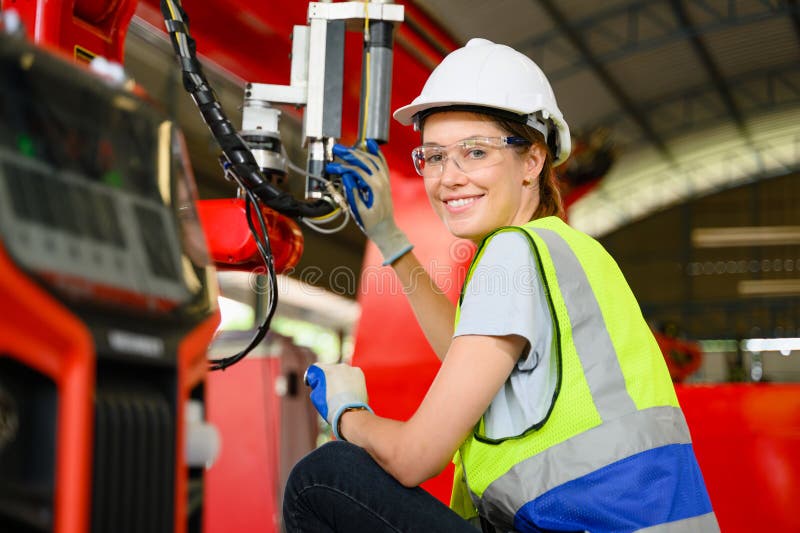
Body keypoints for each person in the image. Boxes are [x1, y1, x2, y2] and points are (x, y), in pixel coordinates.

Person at [283, 38, 718, 533]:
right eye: (435, 156)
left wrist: (347, 414)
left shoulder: (513, 252)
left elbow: (412, 459)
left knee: (324, 478)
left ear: (533, 161)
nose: (449, 178)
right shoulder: (564, 250)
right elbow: (465, 356)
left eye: (474, 152)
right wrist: (390, 238)